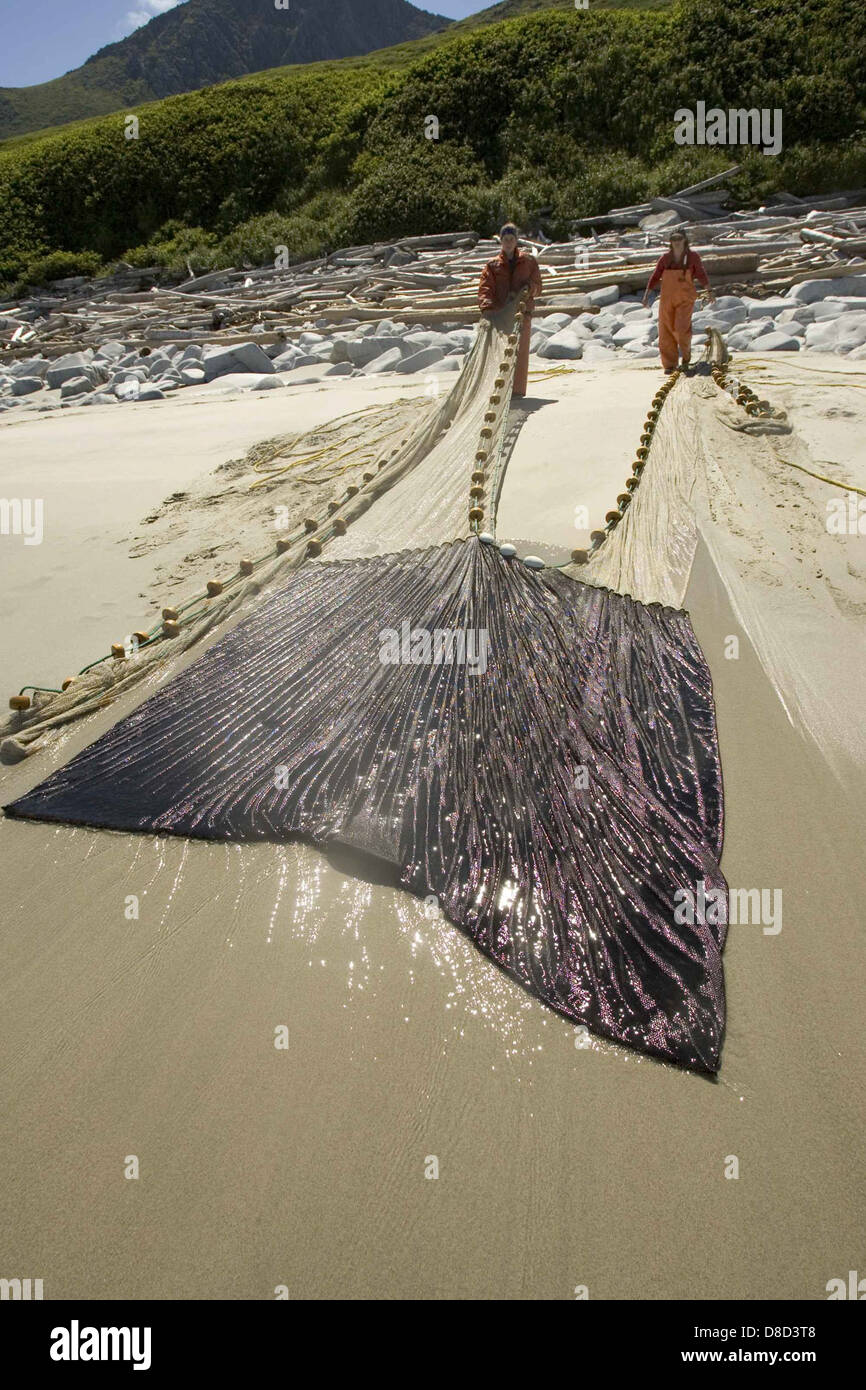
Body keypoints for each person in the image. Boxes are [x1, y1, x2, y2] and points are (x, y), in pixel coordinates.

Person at [478, 223, 543, 397]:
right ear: (501, 241)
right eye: (505, 239)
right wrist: (487, 308)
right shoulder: (492, 266)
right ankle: (500, 392)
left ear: (516, 241)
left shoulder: (528, 261)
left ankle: (518, 393)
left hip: (522, 314)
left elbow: (538, 286)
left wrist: (528, 289)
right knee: (500, 354)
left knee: (520, 355)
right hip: (500, 316)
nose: (508, 242)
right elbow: (485, 289)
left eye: (511, 239)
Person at [643, 231, 715, 374]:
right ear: (670, 241)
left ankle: (686, 357)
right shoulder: (665, 258)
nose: (676, 241)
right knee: (666, 331)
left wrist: (709, 290)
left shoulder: (692, 257)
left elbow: (701, 273)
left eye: (679, 238)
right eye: (674, 239)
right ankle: (670, 365)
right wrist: (647, 295)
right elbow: (656, 275)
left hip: (685, 297)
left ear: (684, 240)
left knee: (681, 329)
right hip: (667, 298)